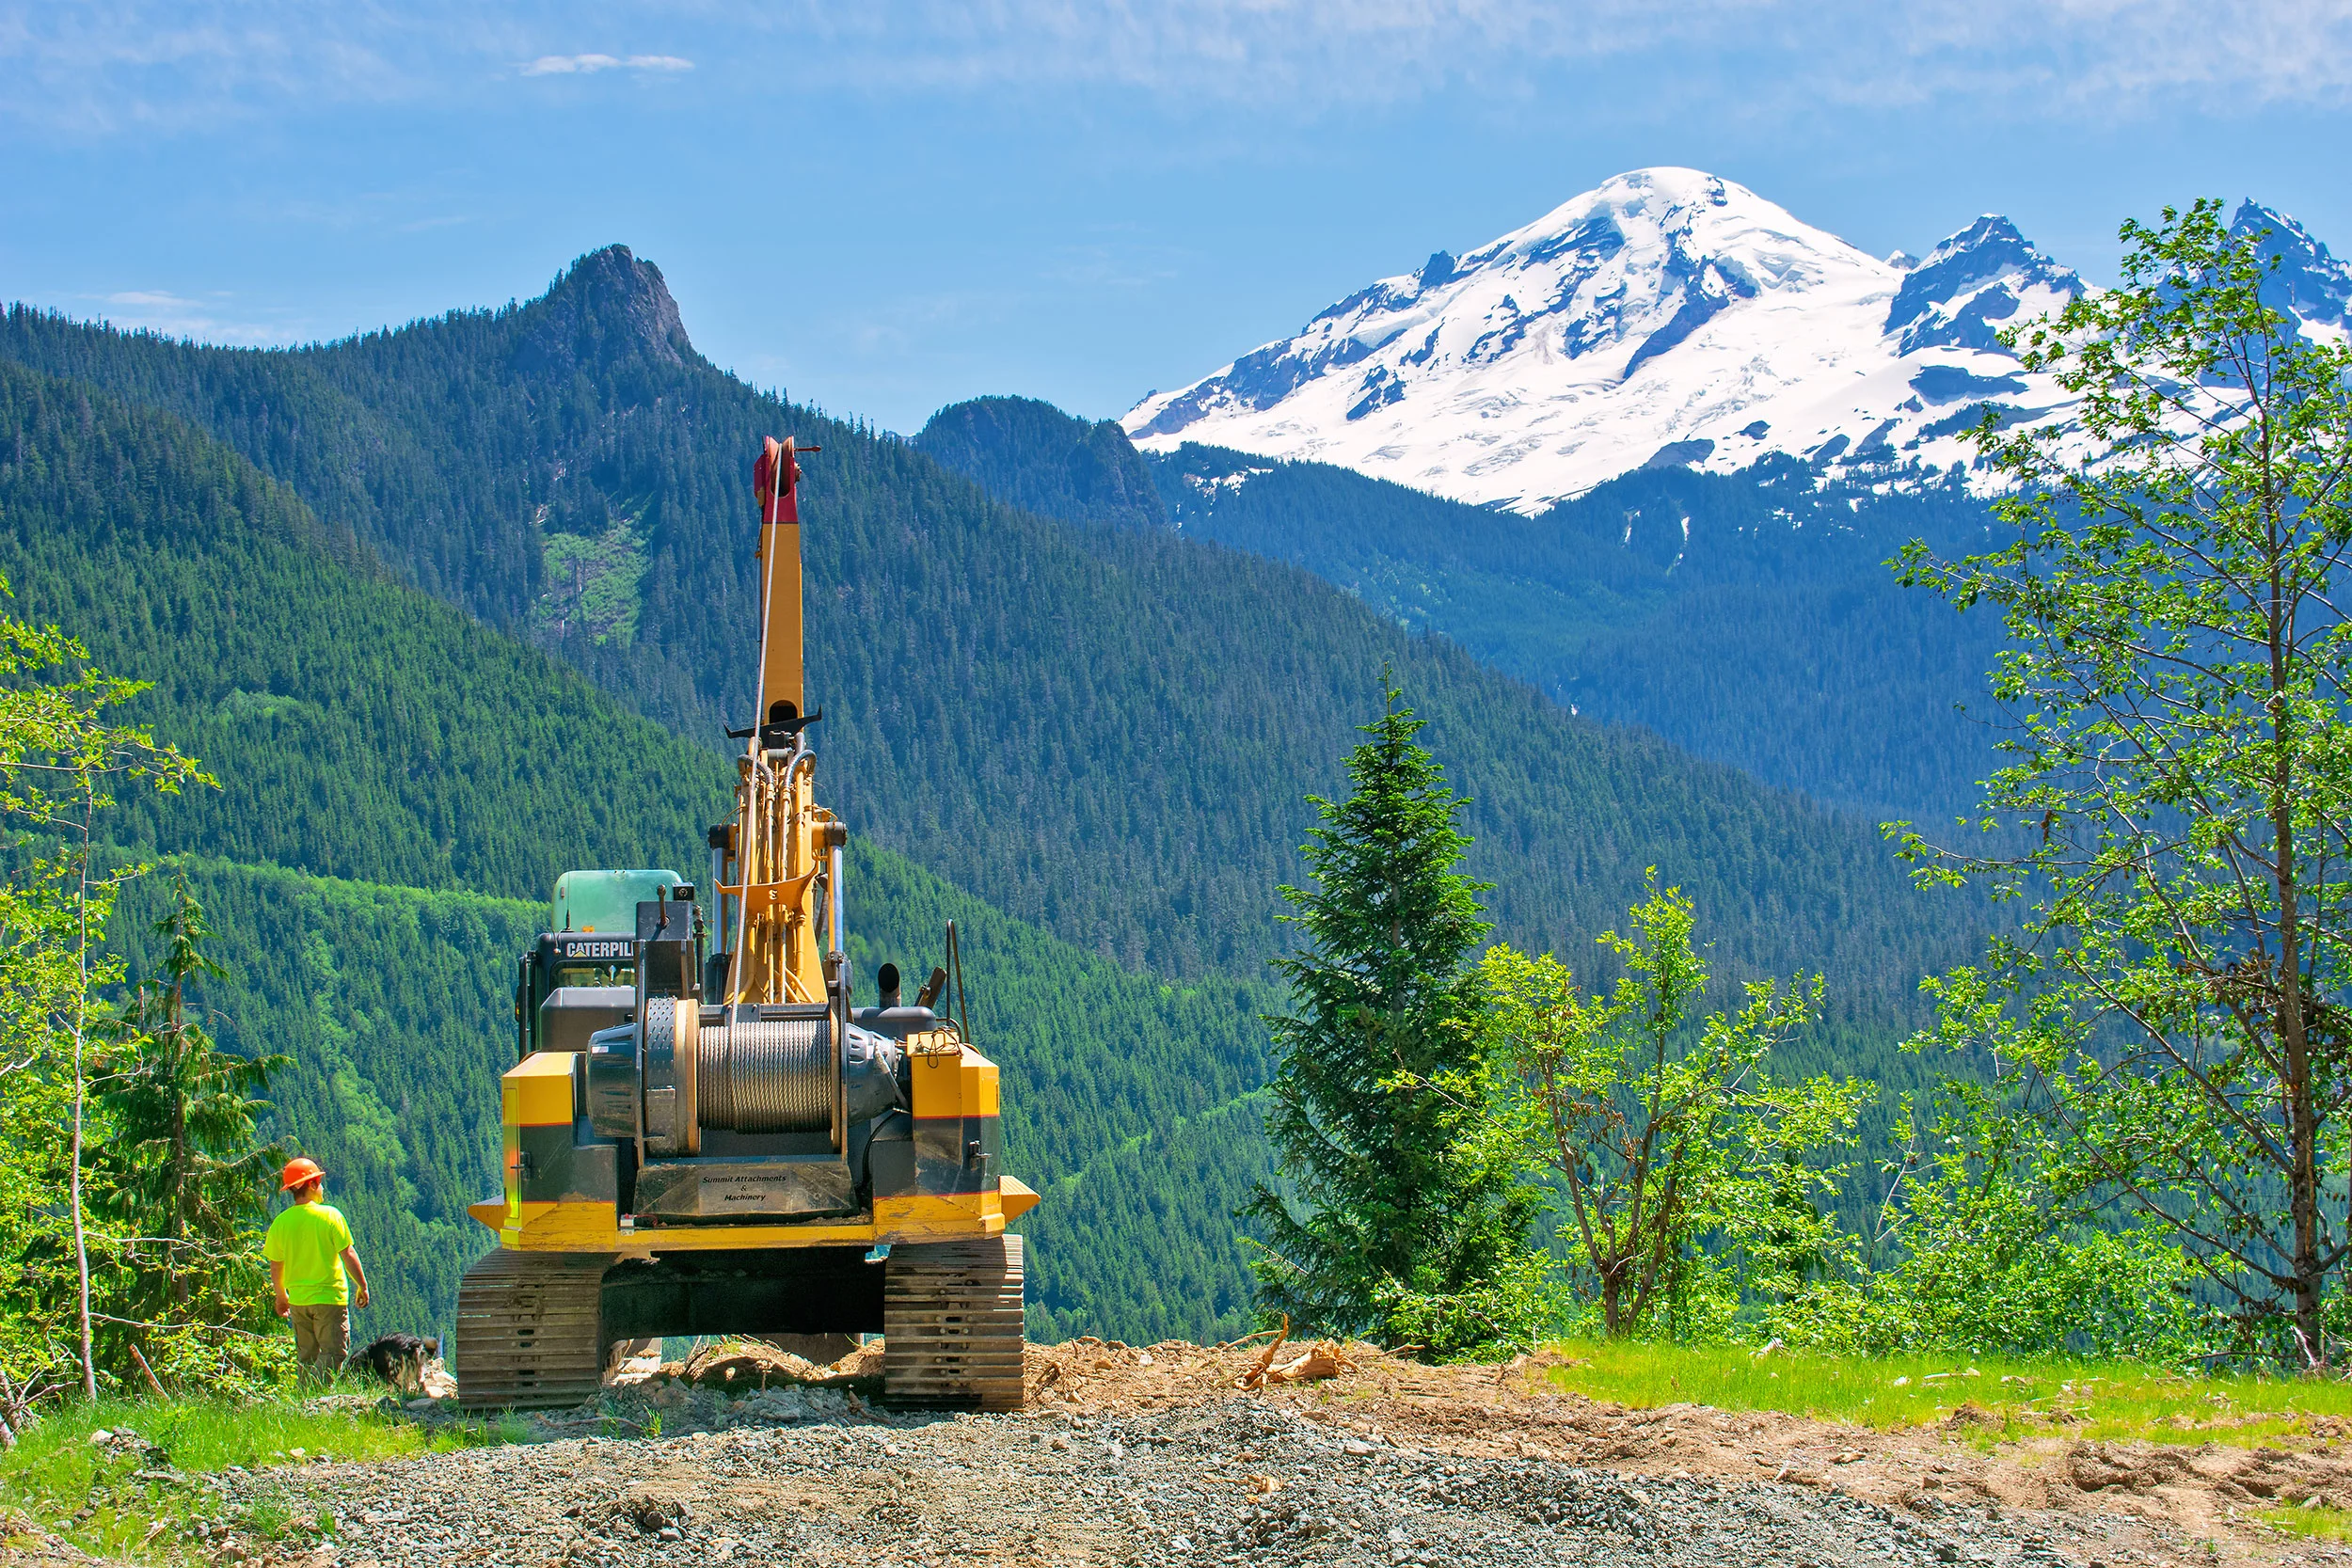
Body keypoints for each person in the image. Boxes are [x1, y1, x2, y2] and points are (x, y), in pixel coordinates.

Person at [263, 1157, 371, 1383]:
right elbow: (348, 1254)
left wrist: (281, 1296)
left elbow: (276, 1264)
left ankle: (306, 1405)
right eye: (319, 1183)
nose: (322, 1187)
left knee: (307, 1357)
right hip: (329, 1298)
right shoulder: (330, 1215)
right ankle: (311, 1393)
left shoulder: (280, 1223)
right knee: (334, 1353)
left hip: (299, 1301)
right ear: (311, 1185)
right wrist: (362, 1285)